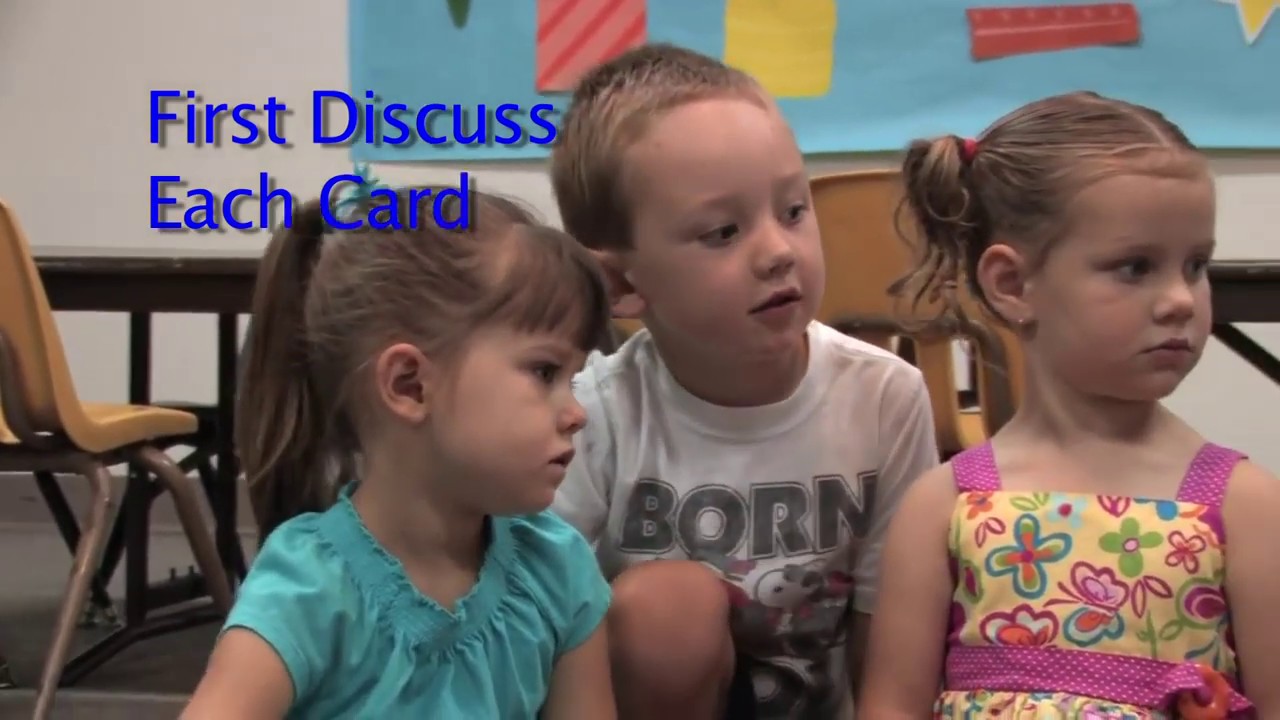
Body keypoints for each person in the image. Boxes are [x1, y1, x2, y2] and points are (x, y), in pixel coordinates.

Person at [548, 44, 940, 720]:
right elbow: (536, 638)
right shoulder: (592, 416)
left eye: (792, 210)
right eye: (723, 231)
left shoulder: (885, 397)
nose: (779, 251)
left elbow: (895, 648)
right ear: (619, 282)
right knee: (667, 607)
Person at [858, 91, 1280, 718]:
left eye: (1195, 265)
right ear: (1012, 284)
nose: (1181, 300)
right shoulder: (943, 508)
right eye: (1135, 267)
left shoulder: (1242, 507)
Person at [180, 186, 617, 719]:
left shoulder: (558, 570)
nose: (577, 412)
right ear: (410, 384)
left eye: (574, 378)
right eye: (545, 372)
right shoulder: (307, 592)